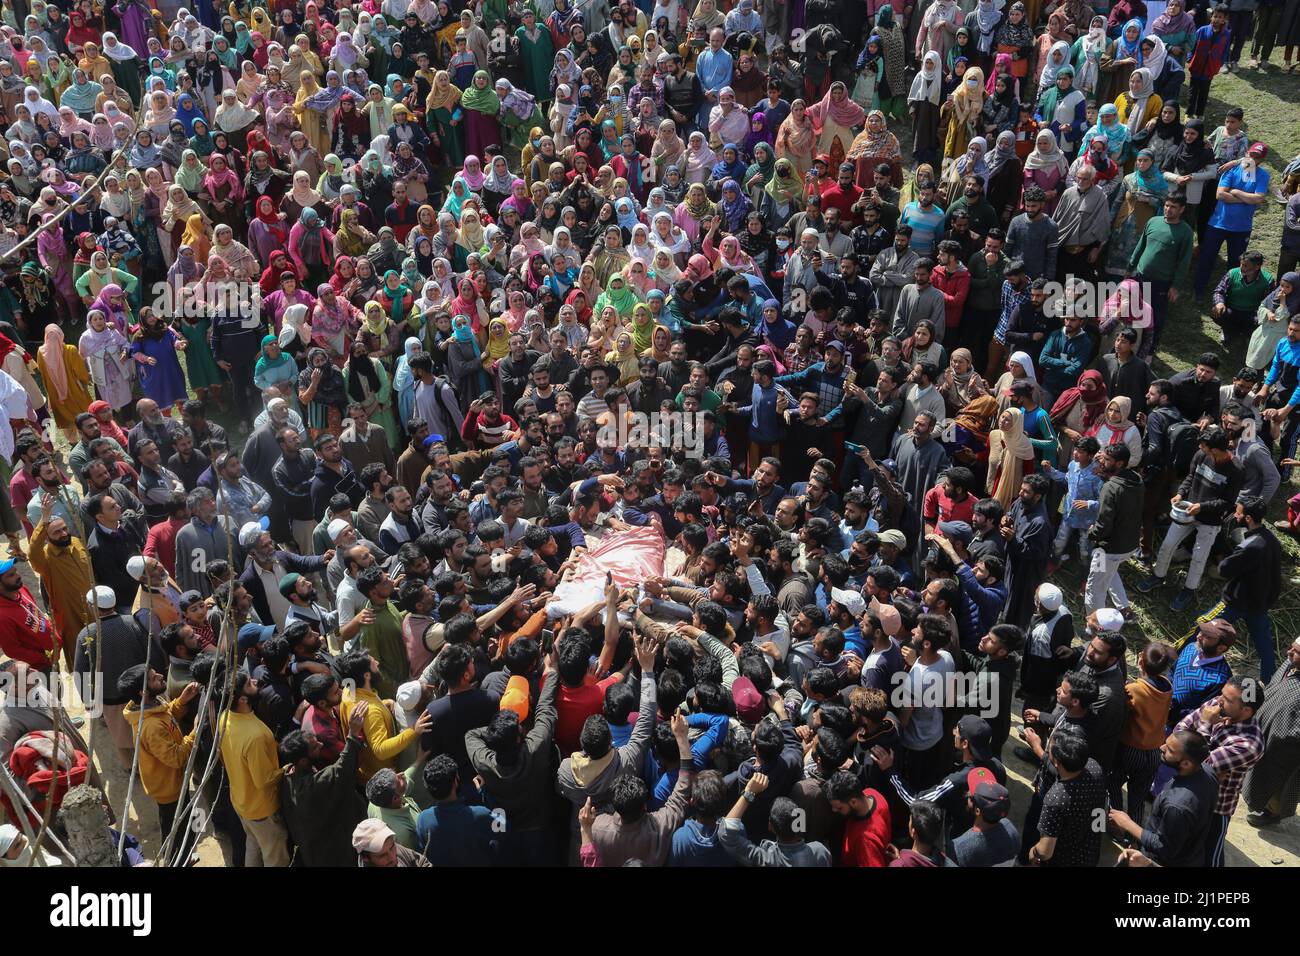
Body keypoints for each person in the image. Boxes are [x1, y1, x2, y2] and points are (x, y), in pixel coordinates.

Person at [1174, 675, 1264, 866]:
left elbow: (1196, 764)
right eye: (1222, 694)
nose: (1218, 700)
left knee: (1209, 857)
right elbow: (1179, 731)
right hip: (1188, 795)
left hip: (1215, 808)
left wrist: (1205, 725)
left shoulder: (1249, 744)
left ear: (1246, 710)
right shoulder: (1221, 703)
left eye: (1227, 699)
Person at [1108, 729, 1218, 867]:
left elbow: (1163, 847)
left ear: (1186, 764)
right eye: (1166, 743)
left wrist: (1127, 824)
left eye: (1170, 750)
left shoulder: (1177, 806)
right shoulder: (1208, 771)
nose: (1161, 748)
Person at [1242, 636, 1300, 827]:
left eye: (1296, 651)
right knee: (1257, 771)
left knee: (1278, 783)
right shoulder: (1290, 665)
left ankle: (1273, 813)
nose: (1288, 653)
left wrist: (1280, 737)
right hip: (1266, 734)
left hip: (1286, 750)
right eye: (1290, 648)